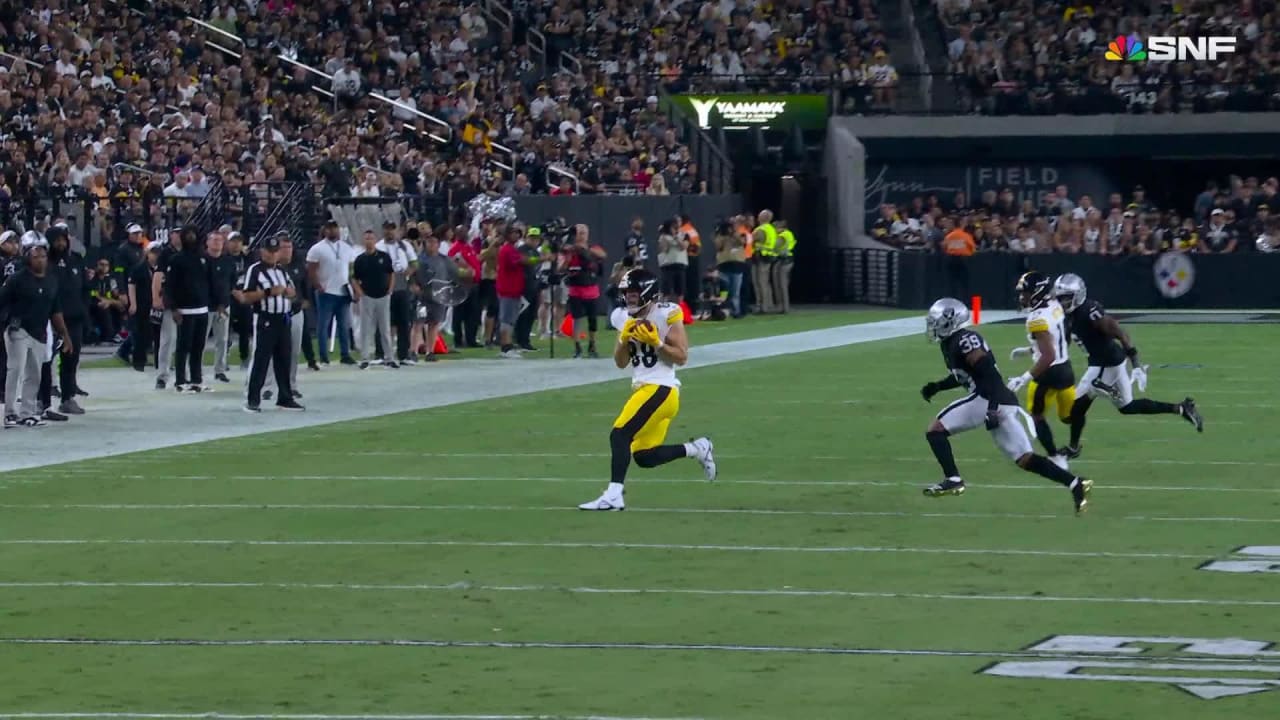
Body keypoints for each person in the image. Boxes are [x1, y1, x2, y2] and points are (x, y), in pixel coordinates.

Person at [920, 297, 1092, 514]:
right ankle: (1076, 484)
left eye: (937, 321)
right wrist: (937, 386)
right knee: (1025, 459)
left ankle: (953, 478)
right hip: (1001, 400)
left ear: (951, 321)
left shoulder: (964, 340)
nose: (933, 326)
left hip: (987, 398)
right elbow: (965, 375)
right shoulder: (954, 341)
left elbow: (988, 374)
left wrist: (991, 408)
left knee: (935, 430)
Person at [579, 268, 716, 511]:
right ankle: (697, 448)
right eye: (626, 294)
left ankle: (613, 495)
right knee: (644, 456)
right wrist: (624, 339)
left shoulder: (667, 314)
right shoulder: (622, 317)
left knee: (619, 434)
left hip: (660, 388)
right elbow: (620, 363)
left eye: (633, 294)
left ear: (648, 292)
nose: (628, 298)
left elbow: (682, 357)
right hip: (648, 390)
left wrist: (657, 343)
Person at [1051, 274, 1203, 457]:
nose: (1062, 302)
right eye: (1060, 298)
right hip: (1109, 361)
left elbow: (1120, 333)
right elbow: (1064, 340)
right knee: (1127, 407)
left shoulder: (1089, 312)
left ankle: (1101, 392)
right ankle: (1181, 408)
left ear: (1078, 295)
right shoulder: (1068, 315)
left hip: (1105, 364)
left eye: (1066, 298)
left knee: (1071, 412)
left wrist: (1137, 364)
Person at [1004, 272, 1076, 467]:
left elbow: (1048, 356)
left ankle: (1055, 456)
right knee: (1068, 416)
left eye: (1025, 293)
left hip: (1048, 373)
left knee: (1037, 415)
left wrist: (1023, 378)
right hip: (1066, 368)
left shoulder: (1036, 318)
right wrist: (1031, 349)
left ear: (1036, 292)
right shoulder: (1055, 305)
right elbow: (1061, 338)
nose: (1022, 297)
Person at [1, 241, 74, 427]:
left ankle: (27, 413)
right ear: (28, 259)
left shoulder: (51, 281)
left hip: (39, 331)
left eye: (43, 257)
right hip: (18, 328)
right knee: (15, 369)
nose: (40, 261)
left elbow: (56, 311)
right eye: (36, 257)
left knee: (34, 374)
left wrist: (65, 335)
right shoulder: (17, 279)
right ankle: (10, 413)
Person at [235, 234, 304, 413]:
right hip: (265, 318)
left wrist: (290, 293)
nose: (272, 255)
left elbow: (293, 292)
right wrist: (268, 292)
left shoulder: (282, 271)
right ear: (262, 251)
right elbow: (246, 296)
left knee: (284, 359)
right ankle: (252, 399)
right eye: (269, 251)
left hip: (283, 318)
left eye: (275, 251)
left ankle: (285, 397)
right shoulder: (255, 270)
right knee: (261, 359)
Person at [162, 226, 212, 393]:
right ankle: (180, 381)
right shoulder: (176, 259)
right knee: (183, 347)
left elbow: (209, 283)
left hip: (202, 309)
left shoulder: (203, 258)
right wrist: (174, 308)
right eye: (187, 234)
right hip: (184, 310)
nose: (191, 237)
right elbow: (169, 286)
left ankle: (197, 380)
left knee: (199, 347)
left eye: (193, 233)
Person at [47, 226, 88, 414]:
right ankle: (42, 401)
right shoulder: (45, 263)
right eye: (57, 240)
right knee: (45, 360)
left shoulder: (75, 261)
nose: (61, 243)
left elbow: (85, 288)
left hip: (75, 317)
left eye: (63, 239)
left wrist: (84, 309)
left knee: (71, 359)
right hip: (51, 318)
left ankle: (68, 397)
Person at [263, 233, 308, 401]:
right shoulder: (269, 267)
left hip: (295, 313)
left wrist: (305, 300)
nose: (287, 251)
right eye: (283, 247)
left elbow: (304, 284)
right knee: (270, 351)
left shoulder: (298, 265)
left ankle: (291, 384)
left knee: (294, 351)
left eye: (289, 247)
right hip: (275, 314)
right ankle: (267, 386)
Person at [306, 220, 356, 366]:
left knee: (344, 325)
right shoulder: (317, 249)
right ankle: (323, 356)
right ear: (325, 230)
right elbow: (311, 270)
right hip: (326, 291)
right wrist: (318, 285)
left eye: (335, 228)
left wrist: (354, 288)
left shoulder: (346, 248)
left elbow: (351, 270)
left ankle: (345, 354)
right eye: (330, 228)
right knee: (323, 325)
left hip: (344, 291)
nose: (333, 231)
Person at [350, 230, 396, 369]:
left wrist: (390, 289)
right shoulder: (359, 260)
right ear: (364, 241)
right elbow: (353, 278)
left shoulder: (384, 257)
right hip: (367, 296)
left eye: (371, 238)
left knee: (385, 328)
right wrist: (360, 292)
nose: (369, 241)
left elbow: (391, 273)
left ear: (375, 240)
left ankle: (389, 357)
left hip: (383, 295)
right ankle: (365, 358)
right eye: (366, 239)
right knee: (366, 328)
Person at [561, 224, 606, 358]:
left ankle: (592, 346)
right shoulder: (570, 250)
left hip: (591, 289)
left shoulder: (592, 248)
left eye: (583, 233)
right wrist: (568, 258)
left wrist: (584, 250)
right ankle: (577, 347)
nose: (581, 236)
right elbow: (562, 267)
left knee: (593, 320)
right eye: (579, 233)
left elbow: (603, 255)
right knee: (577, 319)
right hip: (576, 289)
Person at [376, 222, 418, 364]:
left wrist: (409, 273)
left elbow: (414, 263)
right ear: (383, 231)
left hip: (402, 284)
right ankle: (381, 354)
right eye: (387, 229)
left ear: (398, 231)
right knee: (384, 321)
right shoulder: (379, 246)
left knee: (404, 321)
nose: (390, 232)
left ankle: (403, 354)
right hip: (384, 284)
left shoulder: (405, 246)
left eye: (392, 229)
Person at [414, 233, 458, 362]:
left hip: (439, 297)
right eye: (429, 242)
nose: (431, 245)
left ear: (438, 245)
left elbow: (454, 274)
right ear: (425, 244)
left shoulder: (445, 260)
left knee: (434, 324)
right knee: (418, 323)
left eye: (434, 242)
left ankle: (430, 352)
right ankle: (413, 351)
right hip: (422, 298)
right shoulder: (419, 260)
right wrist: (414, 286)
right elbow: (412, 275)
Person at [151, 229, 183, 389]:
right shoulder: (165, 253)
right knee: (167, 339)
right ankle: (162, 375)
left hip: (188, 302)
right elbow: (158, 276)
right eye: (176, 234)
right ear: (171, 236)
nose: (178, 236)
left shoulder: (190, 250)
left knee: (186, 341)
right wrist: (156, 298)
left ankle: (184, 374)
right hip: (170, 300)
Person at [206, 230, 238, 383]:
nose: (217, 243)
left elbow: (232, 283)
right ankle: (194, 369)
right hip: (205, 307)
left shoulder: (228, 261)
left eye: (219, 240)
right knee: (199, 340)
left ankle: (220, 370)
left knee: (222, 340)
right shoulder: (202, 260)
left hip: (223, 306)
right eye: (214, 240)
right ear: (207, 242)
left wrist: (225, 302)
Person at [127, 243, 161, 372]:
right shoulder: (138, 268)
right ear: (147, 253)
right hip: (142, 305)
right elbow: (131, 285)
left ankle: (160, 362)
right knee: (141, 334)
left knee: (159, 336)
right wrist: (133, 303)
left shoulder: (160, 268)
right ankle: (139, 362)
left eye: (158, 253)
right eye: (153, 252)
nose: (156, 255)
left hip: (157, 306)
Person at [495, 225, 525, 358]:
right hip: (508, 289)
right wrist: (540, 258)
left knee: (511, 319)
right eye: (513, 233)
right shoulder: (507, 250)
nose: (516, 236)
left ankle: (508, 344)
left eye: (518, 233)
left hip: (514, 289)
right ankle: (505, 347)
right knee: (506, 319)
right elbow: (521, 261)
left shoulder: (512, 249)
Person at [447, 233, 482, 348]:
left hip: (473, 285)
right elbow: (452, 264)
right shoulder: (455, 248)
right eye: (461, 231)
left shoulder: (469, 247)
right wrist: (465, 270)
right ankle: (458, 340)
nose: (465, 233)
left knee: (472, 314)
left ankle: (471, 339)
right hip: (461, 285)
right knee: (459, 314)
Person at [87, 257, 126, 344]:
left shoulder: (110, 280)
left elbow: (115, 293)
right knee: (103, 307)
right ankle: (109, 335)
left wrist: (116, 301)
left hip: (107, 302)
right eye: (102, 264)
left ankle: (118, 332)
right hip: (93, 304)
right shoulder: (92, 280)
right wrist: (108, 301)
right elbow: (95, 296)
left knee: (120, 307)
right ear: (97, 266)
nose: (104, 267)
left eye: (106, 265)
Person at [751, 210, 779, 313]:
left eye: (759, 215)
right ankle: (768, 304)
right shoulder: (771, 229)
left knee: (759, 282)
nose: (757, 217)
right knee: (765, 282)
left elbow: (752, 241)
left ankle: (761, 306)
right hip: (768, 257)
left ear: (763, 217)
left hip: (760, 257)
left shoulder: (761, 229)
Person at [656, 219, 687, 302]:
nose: (675, 228)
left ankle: (679, 307)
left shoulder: (683, 235)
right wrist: (666, 238)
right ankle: (665, 307)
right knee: (666, 291)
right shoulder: (663, 237)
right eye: (673, 227)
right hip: (668, 266)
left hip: (680, 265)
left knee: (680, 291)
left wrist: (675, 237)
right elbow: (664, 249)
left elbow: (683, 247)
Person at [774, 219, 796, 313]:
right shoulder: (789, 233)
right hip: (787, 259)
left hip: (784, 260)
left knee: (781, 285)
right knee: (782, 284)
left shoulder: (783, 235)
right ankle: (783, 306)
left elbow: (775, 246)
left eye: (775, 228)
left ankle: (784, 307)